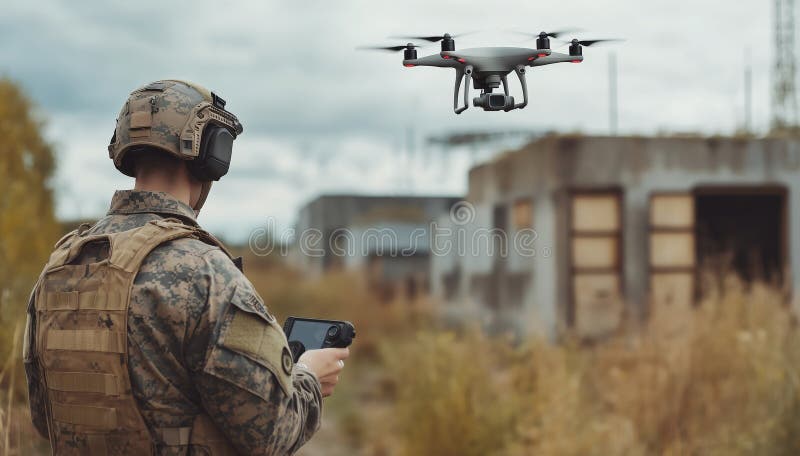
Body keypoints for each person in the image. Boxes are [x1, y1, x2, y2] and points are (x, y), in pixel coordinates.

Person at [23, 80, 349, 455]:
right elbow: (273, 432)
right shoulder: (205, 273)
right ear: (210, 153)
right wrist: (308, 377)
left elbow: (43, 418)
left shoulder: (60, 265)